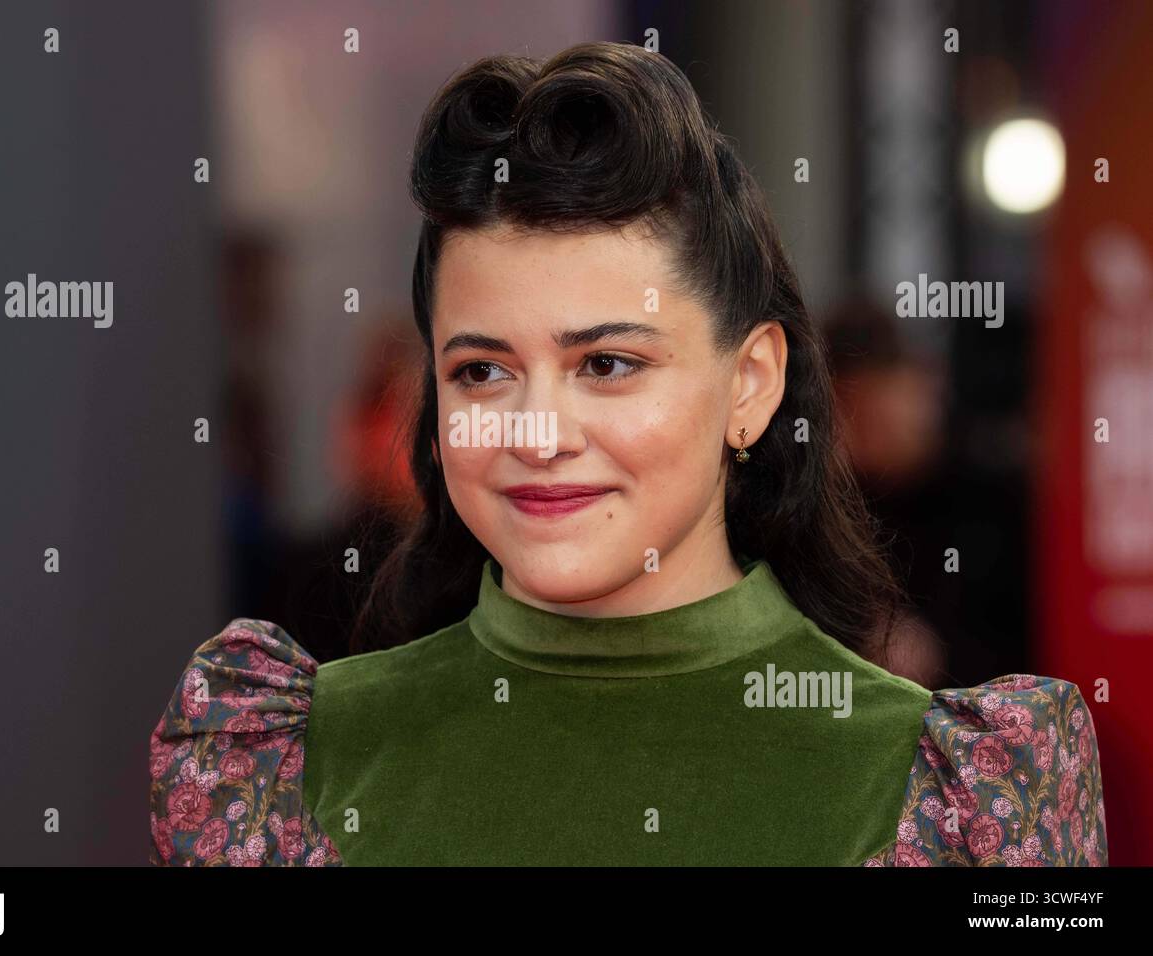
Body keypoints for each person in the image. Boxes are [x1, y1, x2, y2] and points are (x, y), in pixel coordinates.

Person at [148, 41, 1107, 866]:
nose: (537, 432)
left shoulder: (960, 801)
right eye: (482, 372)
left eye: (605, 363)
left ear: (752, 385)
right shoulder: (282, 768)